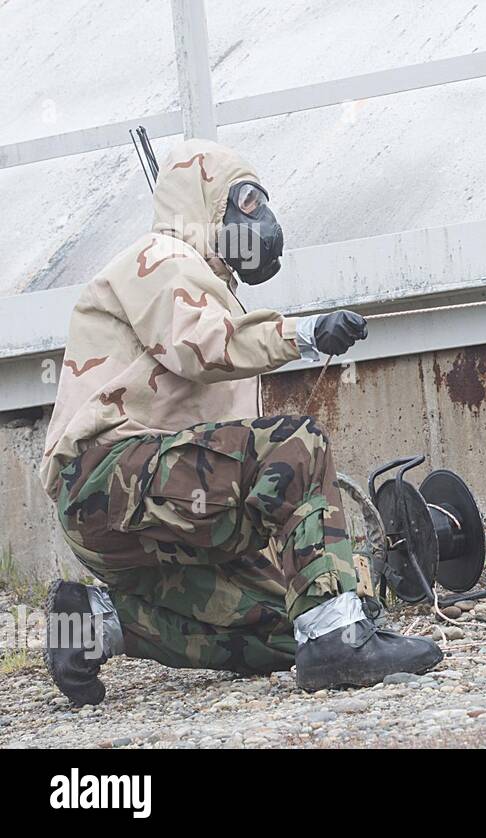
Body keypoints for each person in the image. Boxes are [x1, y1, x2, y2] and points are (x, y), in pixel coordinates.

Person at [40, 139, 442, 706]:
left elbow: (228, 446)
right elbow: (198, 346)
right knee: (298, 446)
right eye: (244, 200)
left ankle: (92, 624)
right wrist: (301, 334)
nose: (258, 217)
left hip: (168, 509)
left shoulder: (214, 294)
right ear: (204, 201)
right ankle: (339, 643)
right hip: (106, 480)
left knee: (285, 623)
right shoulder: (158, 258)